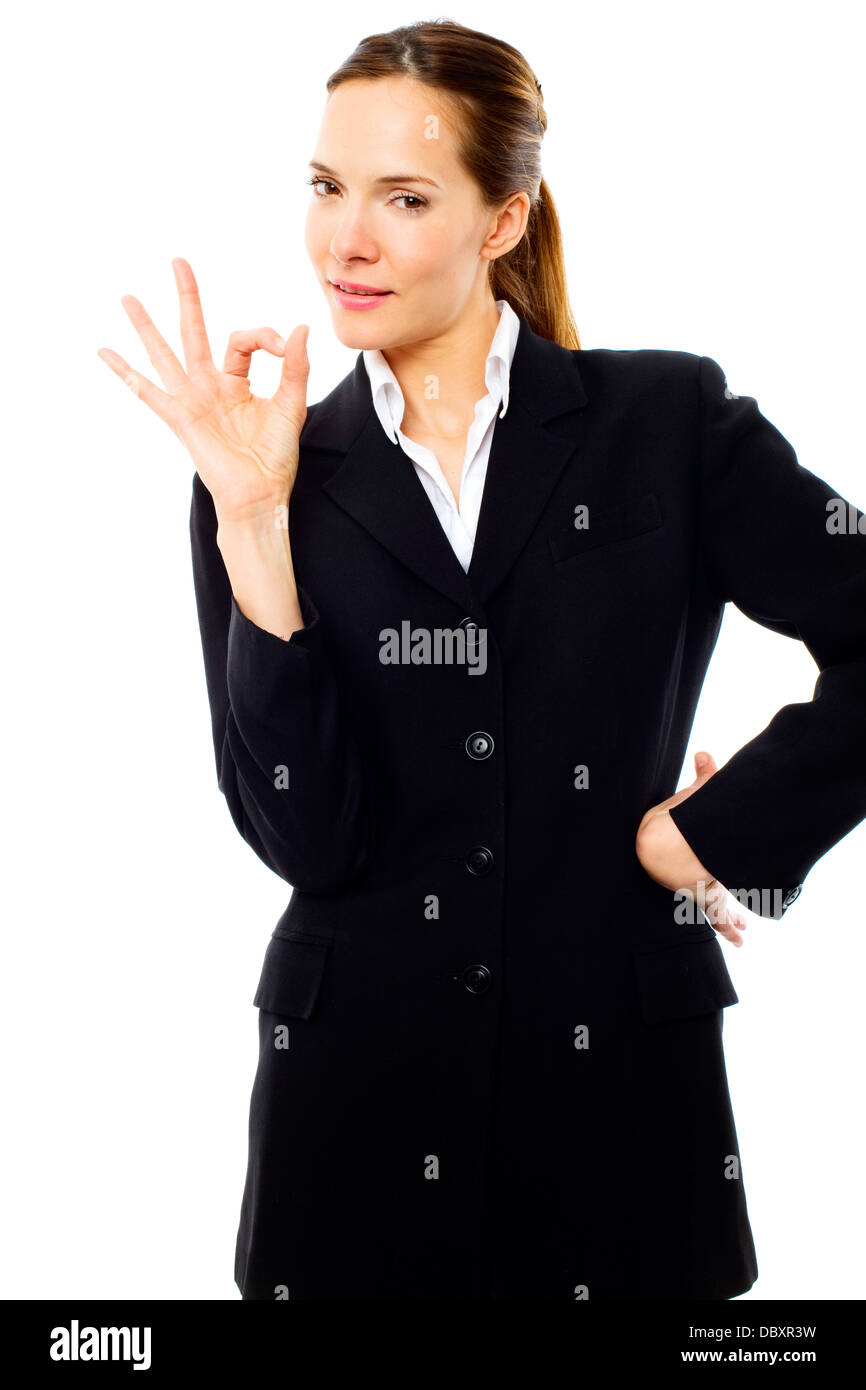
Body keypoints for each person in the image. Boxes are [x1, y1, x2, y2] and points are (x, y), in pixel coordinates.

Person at [97, 19, 866, 1301]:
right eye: (326, 188)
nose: (345, 240)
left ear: (503, 221)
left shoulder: (662, 423)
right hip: (351, 1138)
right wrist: (248, 517)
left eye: (403, 199)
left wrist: (718, 836)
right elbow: (307, 841)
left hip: (622, 1123)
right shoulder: (264, 477)